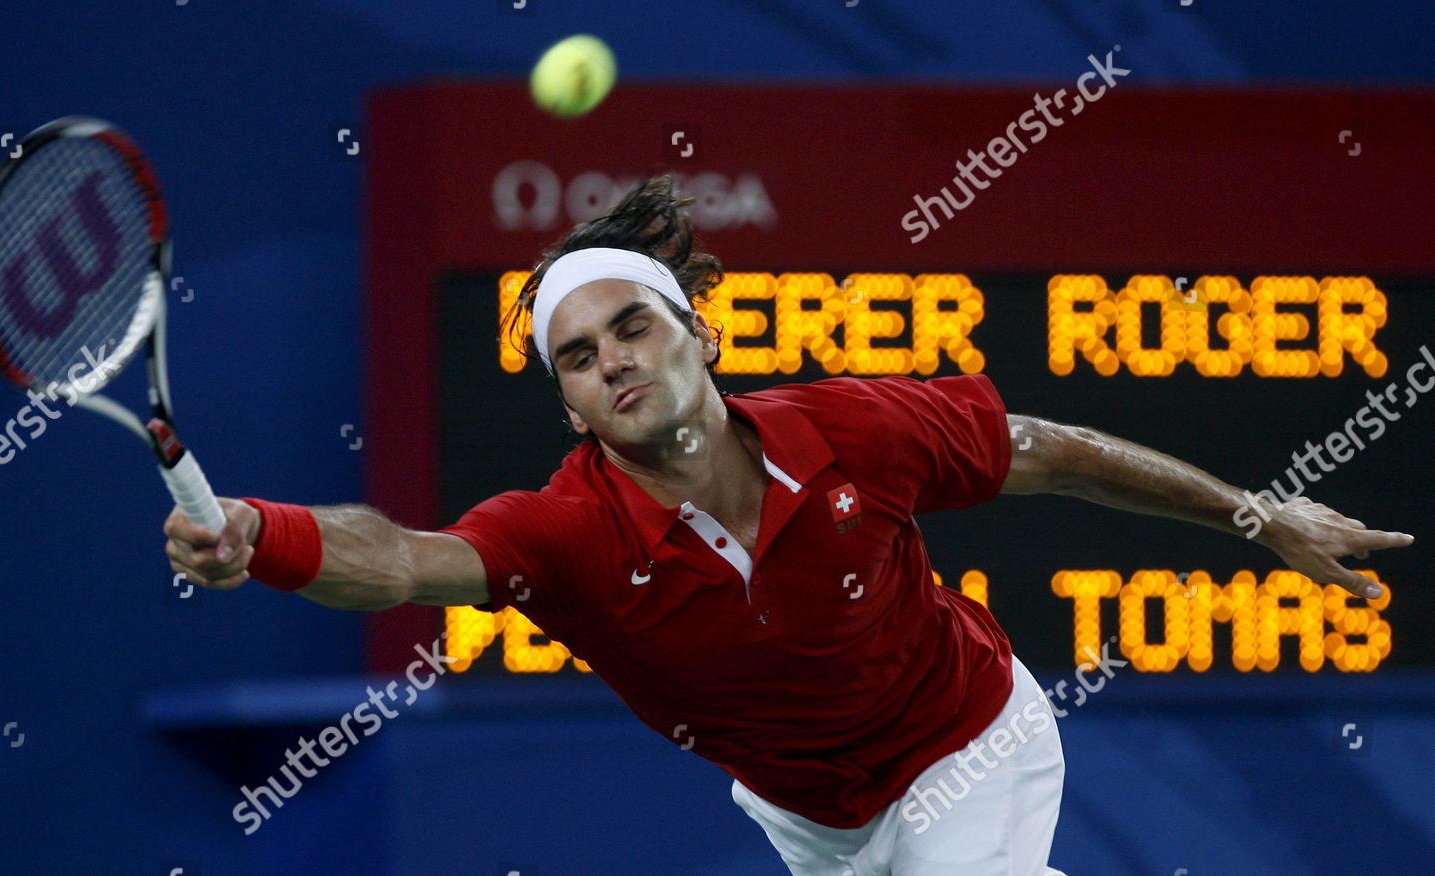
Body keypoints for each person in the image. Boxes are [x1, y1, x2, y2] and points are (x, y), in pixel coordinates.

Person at [164, 175, 1414, 875]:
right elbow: (401, 562)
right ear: (572, 405)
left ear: (698, 332)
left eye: (634, 328)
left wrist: (1257, 512)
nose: (614, 364)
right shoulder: (563, 536)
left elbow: (1053, 452)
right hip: (810, 819)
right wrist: (256, 536)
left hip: (964, 740)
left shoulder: (856, 430)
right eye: (580, 358)